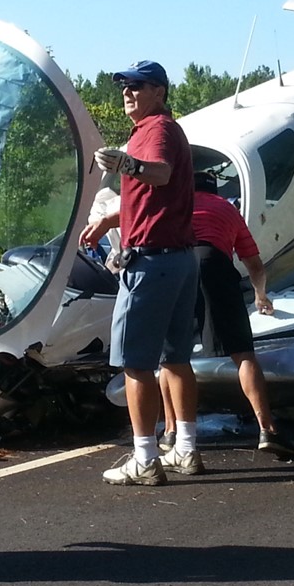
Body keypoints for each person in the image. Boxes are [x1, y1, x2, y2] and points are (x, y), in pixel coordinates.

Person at [77, 60, 200, 485]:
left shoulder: (157, 130)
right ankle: (185, 447)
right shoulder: (158, 130)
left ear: (159, 92)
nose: (127, 92)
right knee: (176, 358)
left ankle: (145, 457)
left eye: (137, 85)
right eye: (124, 86)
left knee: (135, 364)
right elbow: (155, 198)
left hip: (152, 262)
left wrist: (126, 165)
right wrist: (113, 219)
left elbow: (160, 174)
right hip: (179, 258)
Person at [158, 172, 294, 458]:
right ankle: (267, 429)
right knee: (242, 353)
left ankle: (171, 432)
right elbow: (255, 265)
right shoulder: (226, 209)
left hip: (175, 266)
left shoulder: (177, 202)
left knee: (172, 357)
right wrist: (261, 295)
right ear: (215, 191)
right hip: (214, 265)